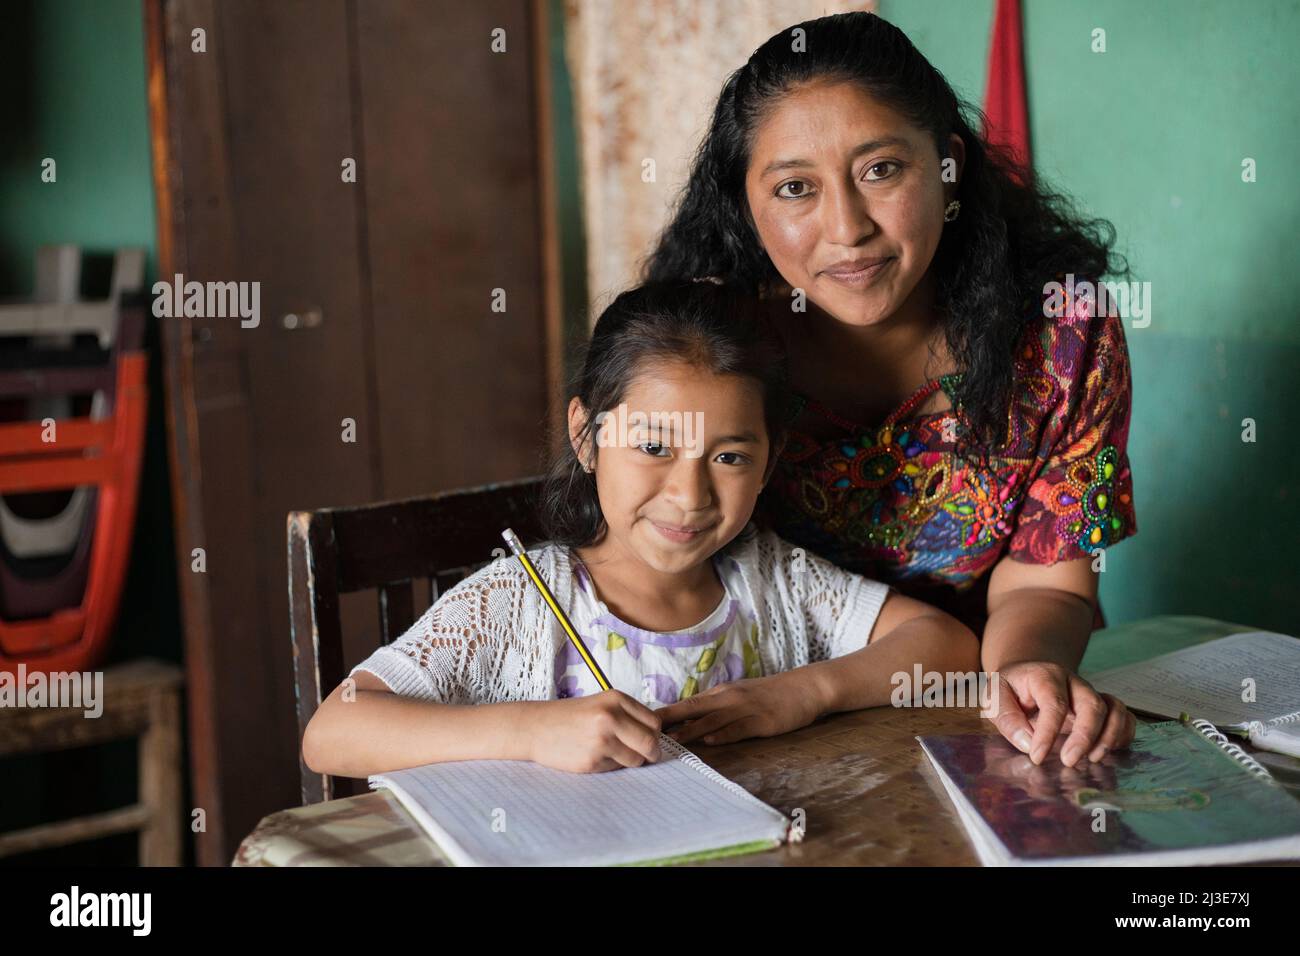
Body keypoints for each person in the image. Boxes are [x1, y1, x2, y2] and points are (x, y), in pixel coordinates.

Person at [643, 11, 1138, 767]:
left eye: (881, 170)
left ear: (947, 167)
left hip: (973, 720)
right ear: (745, 204)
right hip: (748, 726)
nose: (847, 229)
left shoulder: (1066, 335)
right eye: (795, 188)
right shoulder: (707, 350)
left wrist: (1023, 675)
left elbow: (1048, 579)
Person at [301, 280, 979, 777]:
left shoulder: (773, 579)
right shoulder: (523, 602)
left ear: (769, 461)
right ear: (586, 437)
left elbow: (946, 646)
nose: (688, 495)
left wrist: (803, 692)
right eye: (653, 448)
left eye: (730, 457)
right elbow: (334, 731)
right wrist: (530, 731)